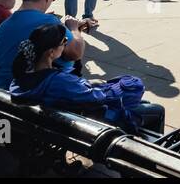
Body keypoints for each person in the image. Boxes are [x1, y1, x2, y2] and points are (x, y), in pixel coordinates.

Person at [10, 22, 164, 134]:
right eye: (64, 42)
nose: (66, 45)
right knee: (157, 110)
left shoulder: (21, 78)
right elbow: (97, 98)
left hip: (57, 123)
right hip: (88, 127)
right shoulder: (58, 81)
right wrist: (123, 85)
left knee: (142, 104)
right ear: (51, 52)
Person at [0, 0, 86, 88]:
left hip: (0, 89)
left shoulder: (5, 24)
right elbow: (76, 52)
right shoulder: (49, 22)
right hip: (33, 93)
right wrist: (74, 28)